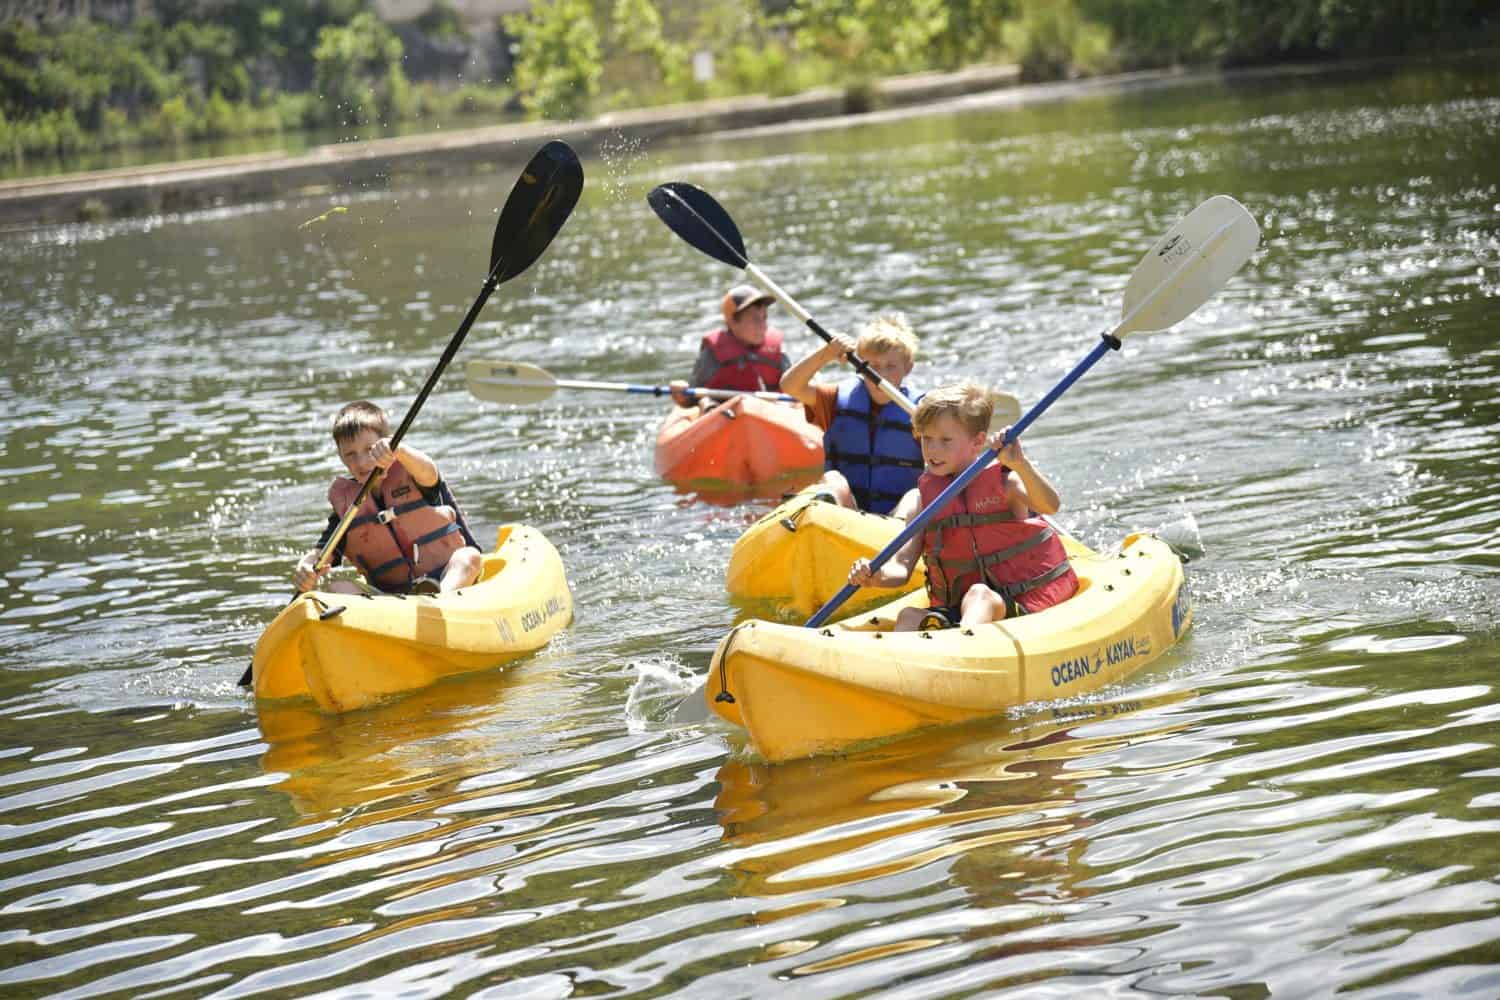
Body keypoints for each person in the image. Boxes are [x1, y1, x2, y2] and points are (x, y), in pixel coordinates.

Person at [848, 383, 1078, 630]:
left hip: (1022, 601)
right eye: (927, 438)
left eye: (946, 440)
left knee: (979, 595)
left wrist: (1021, 465)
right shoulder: (922, 500)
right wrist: (874, 576)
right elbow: (901, 567)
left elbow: (1050, 505)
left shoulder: (1005, 481)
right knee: (909, 617)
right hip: (963, 610)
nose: (933, 450)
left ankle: (965, 652)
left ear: (977, 441)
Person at [293, 400, 483, 596]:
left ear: (385, 445)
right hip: (389, 597)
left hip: (445, 578)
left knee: (469, 557)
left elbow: (430, 473)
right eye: (350, 454)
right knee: (338, 587)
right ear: (341, 457)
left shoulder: (413, 472)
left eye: (369, 449)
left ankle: (437, 600)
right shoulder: (346, 507)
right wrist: (307, 564)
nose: (361, 461)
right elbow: (323, 552)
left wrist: (399, 450)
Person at [780, 314, 923, 514]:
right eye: (873, 366)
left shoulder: (921, 412)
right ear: (859, 367)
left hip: (897, 522)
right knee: (833, 479)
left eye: (890, 366)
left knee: (914, 497)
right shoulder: (835, 399)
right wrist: (826, 354)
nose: (881, 375)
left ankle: (900, 535)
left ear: (908, 368)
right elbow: (790, 386)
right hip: (848, 513)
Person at [669, 284, 788, 409]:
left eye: (764, 318)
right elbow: (692, 398)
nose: (763, 326)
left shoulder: (777, 352)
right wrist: (681, 393)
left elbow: (794, 391)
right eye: (755, 319)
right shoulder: (713, 354)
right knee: (705, 401)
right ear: (732, 322)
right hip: (723, 412)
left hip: (770, 410)